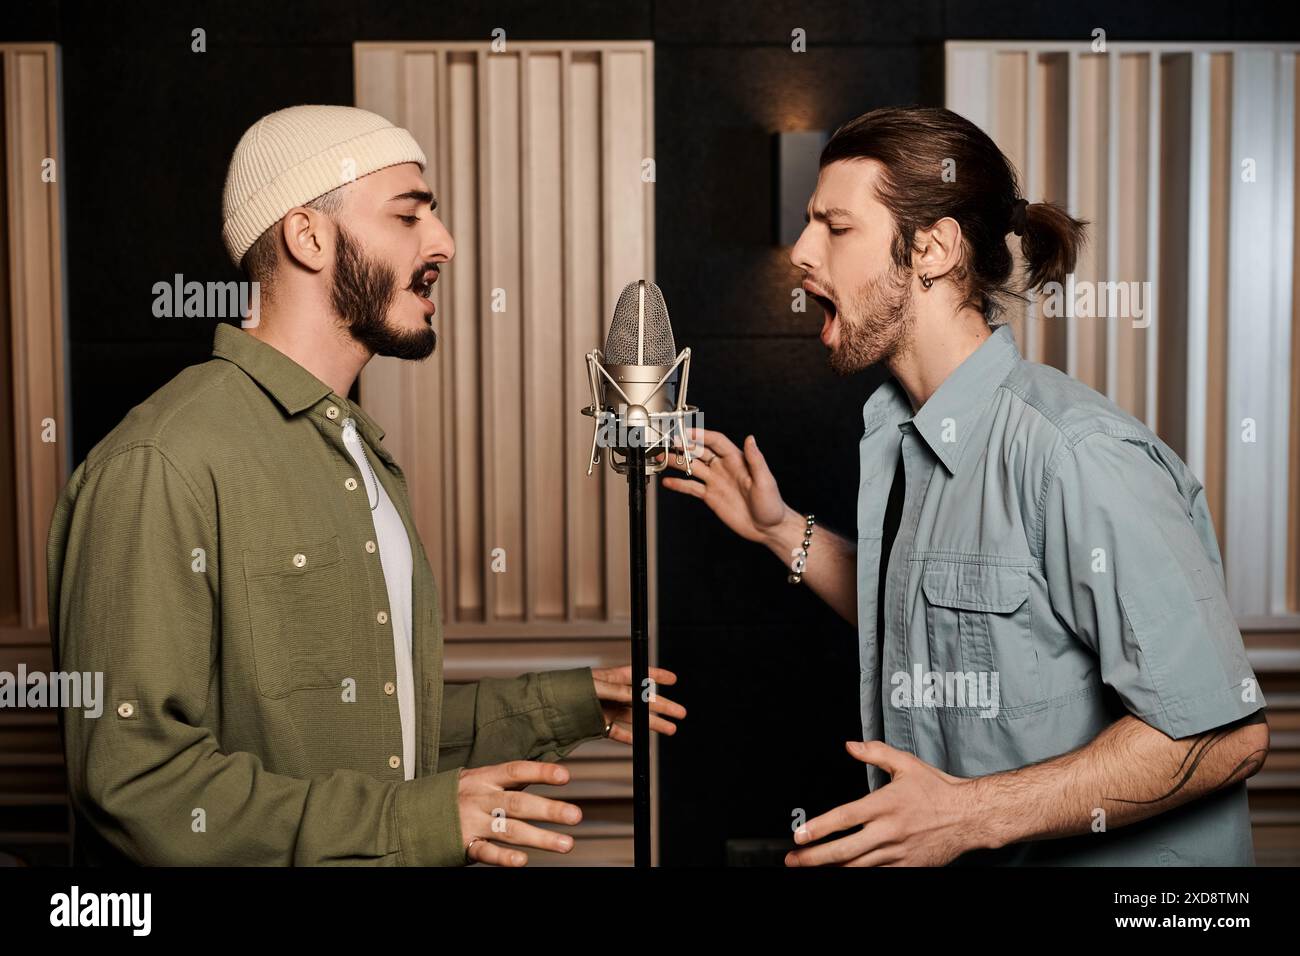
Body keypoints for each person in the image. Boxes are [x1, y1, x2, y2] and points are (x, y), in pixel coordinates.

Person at [47, 105, 684, 866]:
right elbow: (137, 783)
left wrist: (555, 707)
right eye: (409, 215)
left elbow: (367, 729)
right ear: (308, 236)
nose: (442, 243)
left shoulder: (356, 454)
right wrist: (407, 826)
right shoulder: (161, 461)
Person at [663, 106, 1267, 866]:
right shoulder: (910, 438)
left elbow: (1225, 734)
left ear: (934, 248)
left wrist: (968, 815)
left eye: (835, 227)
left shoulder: (1073, 454)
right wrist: (781, 531)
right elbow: (931, 621)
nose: (802, 252)